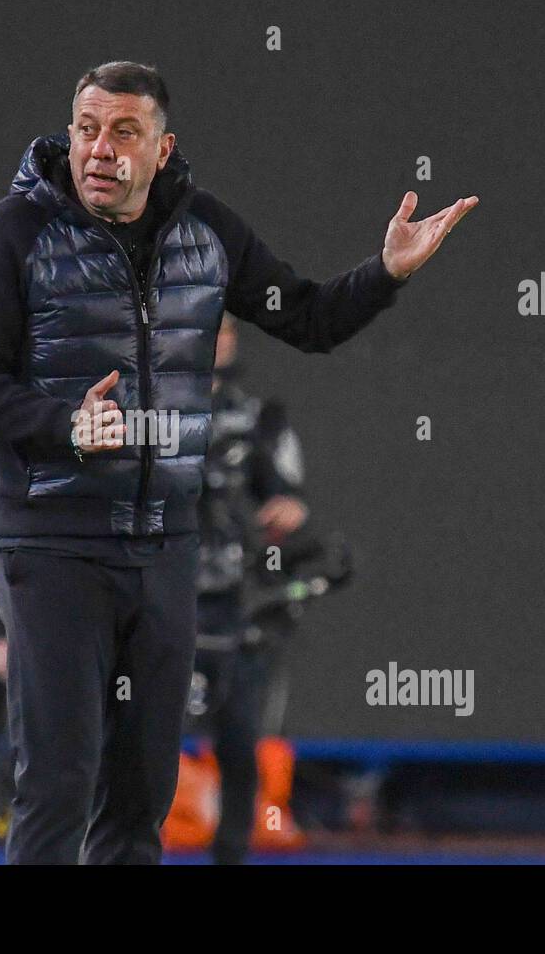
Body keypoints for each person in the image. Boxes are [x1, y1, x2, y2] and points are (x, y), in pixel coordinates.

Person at [0, 61, 477, 864]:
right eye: (87, 128)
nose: (99, 149)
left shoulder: (207, 230)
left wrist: (387, 272)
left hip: (165, 546)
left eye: (124, 132)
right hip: (51, 546)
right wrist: (64, 425)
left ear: (163, 147)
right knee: (58, 779)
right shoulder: (12, 233)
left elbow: (308, 318)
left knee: (140, 791)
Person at [189, 315, 310, 864]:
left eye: (229, 331)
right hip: (164, 597)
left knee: (239, 735)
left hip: (235, 600)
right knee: (141, 734)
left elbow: (284, 495)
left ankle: (231, 852)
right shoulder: (145, 413)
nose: (222, 341)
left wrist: (285, 509)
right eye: (209, 329)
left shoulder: (258, 417)